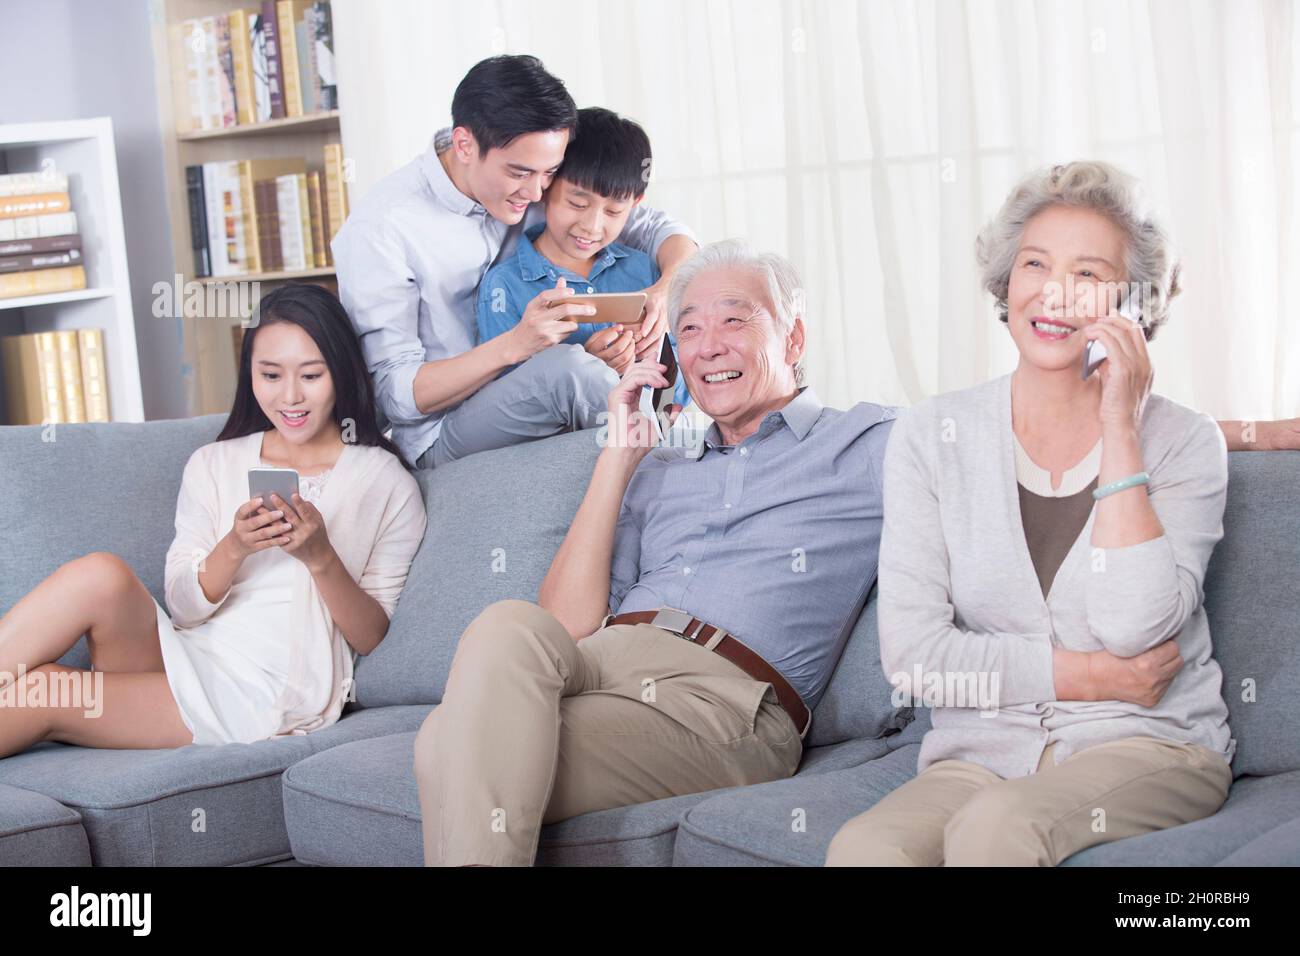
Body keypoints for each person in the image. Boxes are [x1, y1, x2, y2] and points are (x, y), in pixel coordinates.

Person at [412, 239, 896, 866]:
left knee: (445, 746)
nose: (707, 345)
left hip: (721, 704)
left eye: (734, 320)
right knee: (504, 626)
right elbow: (563, 626)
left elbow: (1001, 458)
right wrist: (618, 456)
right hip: (599, 667)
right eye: (688, 328)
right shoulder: (662, 469)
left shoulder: (867, 444)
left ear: (794, 339)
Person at [826, 161, 1235, 867]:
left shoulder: (1186, 442)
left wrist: (1120, 427)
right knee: (865, 848)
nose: (1054, 292)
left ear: (1133, 303)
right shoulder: (932, 435)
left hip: (1148, 743)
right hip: (982, 753)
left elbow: (1135, 624)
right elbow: (917, 661)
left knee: (996, 829)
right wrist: (1090, 676)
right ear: (1006, 283)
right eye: (1035, 264)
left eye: (1088, 274)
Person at [0, 284, 425, 755]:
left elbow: (371, 636)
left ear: (341, 374)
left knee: (42, 691)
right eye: (270, 375)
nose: (290, 396)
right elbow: (183, 609)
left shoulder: (384, 480)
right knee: (99, 574)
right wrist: (234, 548)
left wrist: (320, 558)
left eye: (311, 375)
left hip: (267, 689)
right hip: (190, 656)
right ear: (250, 375)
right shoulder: (213, 462)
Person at [333, 55, 698, 470]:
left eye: (550, 173)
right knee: (566, 370)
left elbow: (657, 227)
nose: (537, 191)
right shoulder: (381, 228)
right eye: (521, 173)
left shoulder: (536, 182)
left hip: (544, 399)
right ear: (465, 145)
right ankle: (680, 468)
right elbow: (396, 396)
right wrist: (516, 345)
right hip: (443, 429)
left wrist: (664, 291)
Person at [476, 106, 690, 410]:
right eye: (577, 204)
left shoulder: (644, 269)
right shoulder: (505, 286)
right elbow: (506, 409)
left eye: (614, 212)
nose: (591, 226)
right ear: (546, 187)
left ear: (635, 205)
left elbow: (681, 395)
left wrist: (652, 361)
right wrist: (584, 371)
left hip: (647, 440)